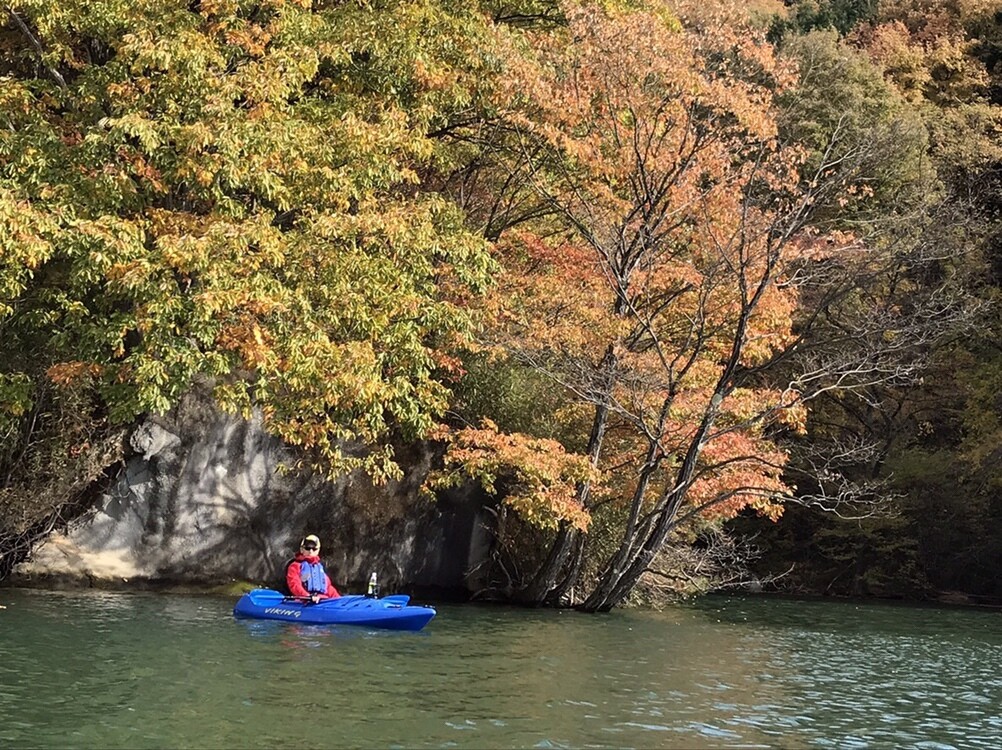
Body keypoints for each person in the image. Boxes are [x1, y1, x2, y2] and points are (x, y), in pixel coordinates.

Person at [285, 534, 341, 603]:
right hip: (304, 601)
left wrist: (340, 600)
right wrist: (307, 596)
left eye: (314, 549)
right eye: (307, 548)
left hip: (322, 601)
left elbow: (328, 588)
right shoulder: (295, 566)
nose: (310, 551)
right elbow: (294, 585)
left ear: (318, 551)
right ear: (302, 550)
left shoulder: (319, 567)